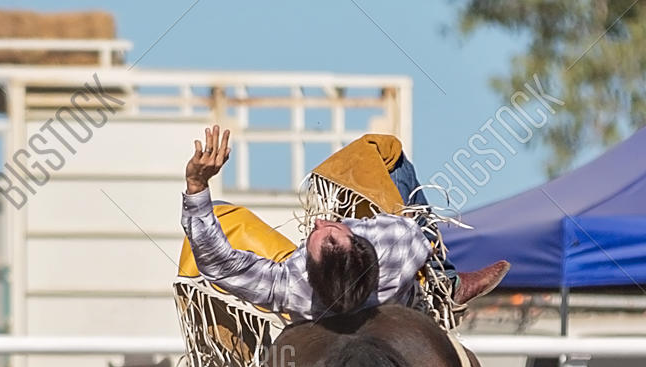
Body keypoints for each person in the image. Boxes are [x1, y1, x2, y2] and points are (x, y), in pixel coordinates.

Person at [181, 126, 509, 319]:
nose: (321, 220)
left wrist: (197, 187)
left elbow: (219, 264)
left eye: (316, 232)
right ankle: (444, 286)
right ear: (358, 238)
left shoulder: (295, 286)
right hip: (396, 284)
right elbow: (416, 230)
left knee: (222, 213)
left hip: (316, 305)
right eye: (332, 228)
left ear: (307, 266)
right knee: (384, 151)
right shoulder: (397, 238)